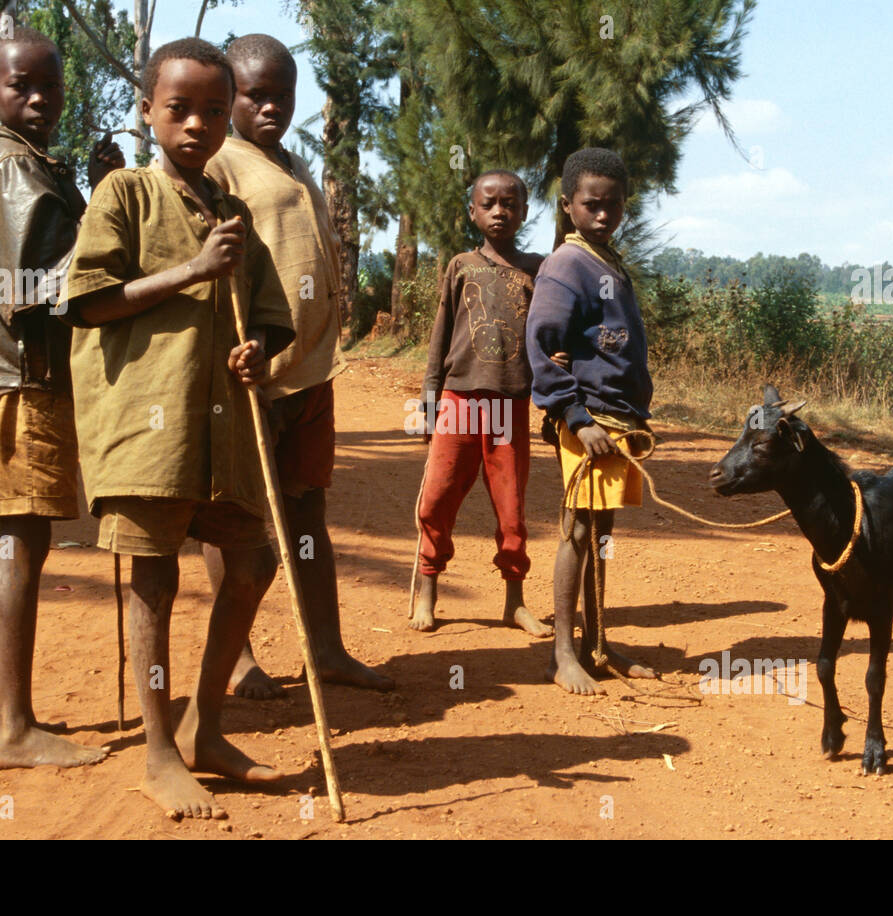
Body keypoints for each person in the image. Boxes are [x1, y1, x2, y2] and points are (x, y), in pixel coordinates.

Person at [62, 38, 294, 819]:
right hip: (144, 426)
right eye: (180, 108)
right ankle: (160, 754)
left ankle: (205, 728)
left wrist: (258, 352)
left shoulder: (232, 212)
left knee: (254, 560)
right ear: (147, 111)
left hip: (220, 433)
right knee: (154, 582)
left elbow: (267, 314)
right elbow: (92, 299)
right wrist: (193, 270)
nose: (198, 124)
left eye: (214, 112)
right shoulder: (123, 193)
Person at [0, 24, 123, 768]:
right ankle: (13, 730)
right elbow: (41, 288)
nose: (39, 97)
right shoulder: (19, 170)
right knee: (24, 534)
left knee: (1, 537)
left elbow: (49, 246)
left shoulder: (22, 164)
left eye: (50, 84)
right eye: (21, 86)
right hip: (23, 375)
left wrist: (92, 189)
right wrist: (114, 224)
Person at [205, 34, 393, 695]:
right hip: (258, 373)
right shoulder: (219, 163)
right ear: (228, 96)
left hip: (312, 372)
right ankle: (240, 657)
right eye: (254, 94)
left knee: (308, 514)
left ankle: (326, 650)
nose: (270, 107)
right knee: (238, 523)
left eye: (282, 95)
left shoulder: (288, 161)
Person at [526, 147, 658, 696]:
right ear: (567, 205)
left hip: (620, 423)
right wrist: (576, 419)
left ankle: (598, 642)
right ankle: (563, 653)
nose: (604, 215)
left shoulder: (608, 262)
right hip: (590, 423)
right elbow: (542, 346)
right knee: (578, 530)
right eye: (592, 205)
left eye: (614, 205)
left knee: (603, 531)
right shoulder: (566, 265)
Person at [409, 169, 551, 637]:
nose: (499, 212)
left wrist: (555, 376)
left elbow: (548, 336)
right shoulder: (461, 265)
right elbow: (441, 336)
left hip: (510, 406)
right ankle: (428, 589)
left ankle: (514, 601)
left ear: (525, 212)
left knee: (511, 508)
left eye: (509, 204)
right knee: (439, 496)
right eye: (488, 203)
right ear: (472, 211)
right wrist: (429, 401)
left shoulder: (537, 269)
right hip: (459, 400)